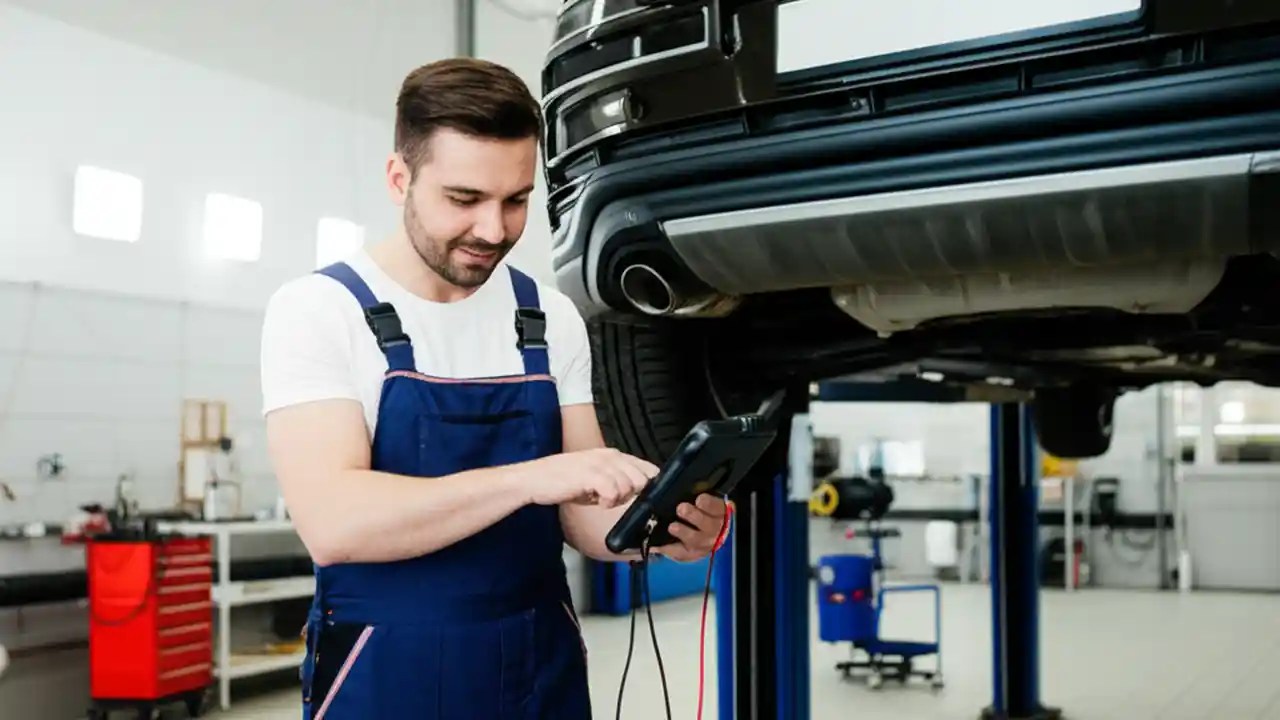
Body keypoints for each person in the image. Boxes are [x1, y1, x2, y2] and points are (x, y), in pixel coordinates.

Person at [260, 58, 730, 719]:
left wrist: (654, 530)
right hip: (387, 673)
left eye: (515, 201)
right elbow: (335, 523)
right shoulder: (318, 310)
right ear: (400, 178)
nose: (492, 230)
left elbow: (581, 512)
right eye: (463, 199)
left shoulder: (547, 317)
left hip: (540, 667)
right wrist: (529, 479)